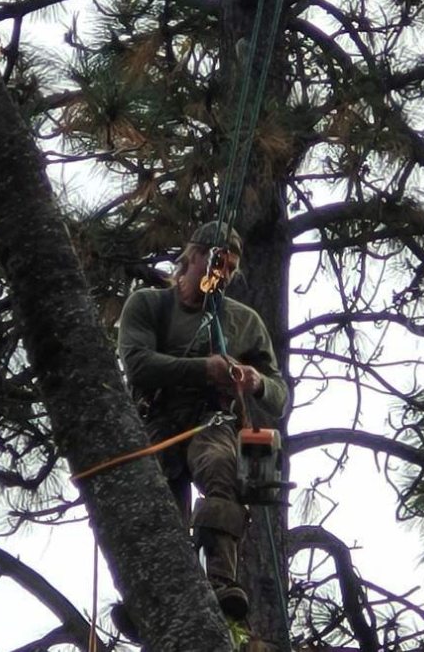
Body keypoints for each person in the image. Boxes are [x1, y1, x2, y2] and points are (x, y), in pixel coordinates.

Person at [116, 221, 288, 619]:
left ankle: (220, 580)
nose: (222, 274)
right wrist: (204, 368)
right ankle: (154, 596)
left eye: (230, 269)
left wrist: (256, 380)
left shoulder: (243, 322)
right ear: (191, 256)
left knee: (221, 467)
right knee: (156, 501)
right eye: (217, 263)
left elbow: (278, 395)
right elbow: (138, 365)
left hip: (213, 420)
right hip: (158, 419)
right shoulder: (149, 305)